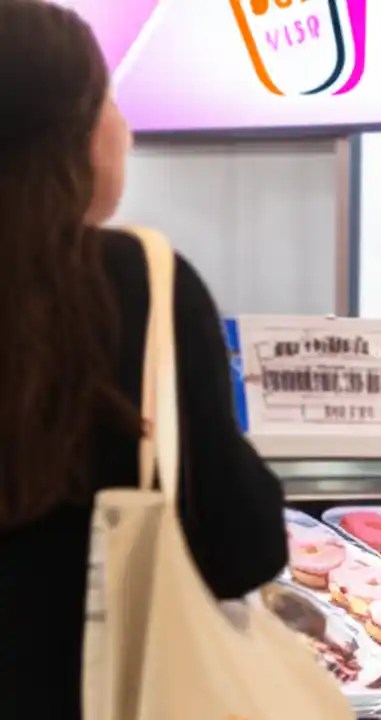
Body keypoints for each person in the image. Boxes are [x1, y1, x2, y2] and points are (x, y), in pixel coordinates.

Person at [0, 3, 288, 716]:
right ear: (69, 132)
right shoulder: (133, 279)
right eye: (110, 102)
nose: (123, 128)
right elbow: (239, 547)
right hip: (88, 689)